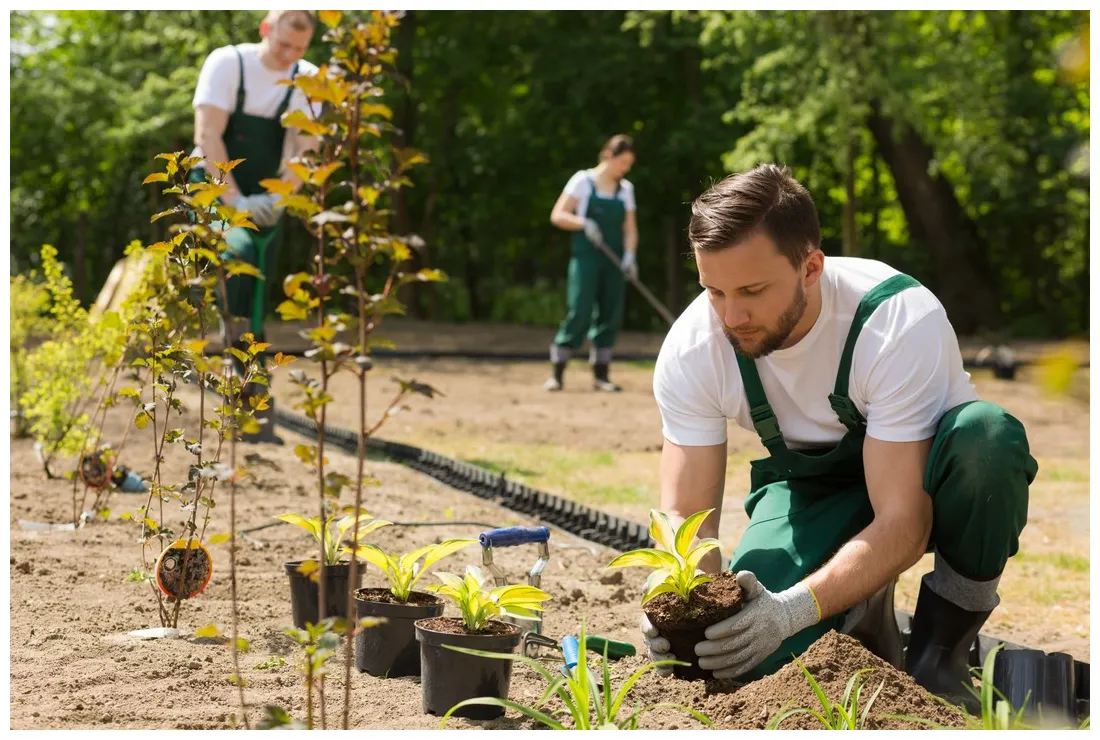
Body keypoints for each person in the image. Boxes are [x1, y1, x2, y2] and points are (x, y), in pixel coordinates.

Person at [640, 164, 1035, 712]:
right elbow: (687, 518)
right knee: (747, 654)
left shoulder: (895, 321)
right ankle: (864, 620)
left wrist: (793, 609)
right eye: (714, 291)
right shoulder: (693, 348)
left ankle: (942, 649)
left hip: (928, 479)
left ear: (810, 267)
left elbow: (904, 521)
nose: (732, 315)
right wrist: (678, 603)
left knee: (987, 439)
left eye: (752, 290)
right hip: (813, 491)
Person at [189, 9, 320, 355]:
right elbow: (208, 135)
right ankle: (230, 342)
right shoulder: (229, 64)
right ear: (265, 29)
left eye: (299, 48)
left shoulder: (307, 79)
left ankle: (251, 363)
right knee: (238, 252)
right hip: (212, 182)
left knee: (262, 276)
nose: (290, 56)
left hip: (265, 192)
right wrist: (235, 201)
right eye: (283, 45)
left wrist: (281, 197)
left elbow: (305, 149)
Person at [545, 135, 639, 392]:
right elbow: (558, 215)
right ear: (608, 156)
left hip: (614, 261)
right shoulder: (582, 181)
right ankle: (557, 372)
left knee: (610, 313)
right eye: (622, 162)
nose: (625, 169)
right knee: (580, 309)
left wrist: (630, 256)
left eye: (629, 164)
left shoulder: (626, 190)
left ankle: (601, 375)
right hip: (586, 258)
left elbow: (630, 228)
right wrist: (583, 223)